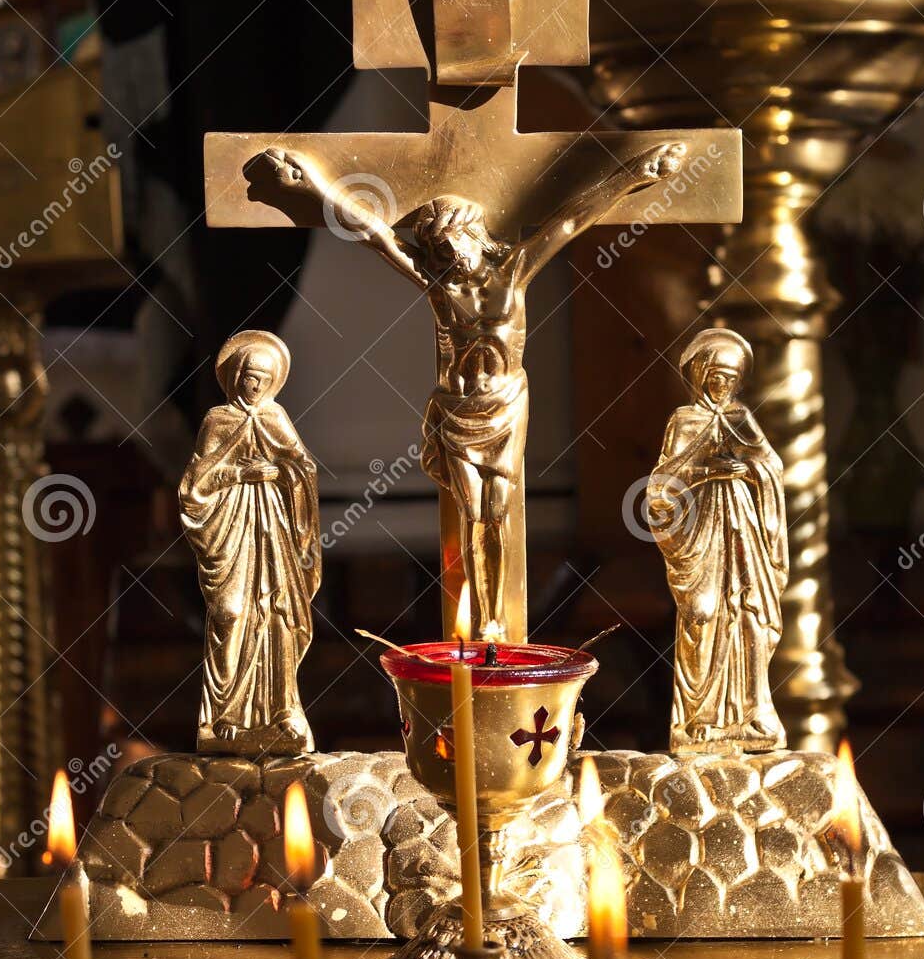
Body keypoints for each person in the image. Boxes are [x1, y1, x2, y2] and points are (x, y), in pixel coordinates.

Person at [258, 140, 688, 638]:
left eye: (450, 245)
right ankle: (483, 616)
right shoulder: (440, 288)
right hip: (457, 410)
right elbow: (374, 235)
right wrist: (309, 187)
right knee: (470, 510)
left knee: (496, 512)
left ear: (473, 235)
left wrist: (636, 171)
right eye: (437, 250)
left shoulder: (514, 273)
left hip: (503, 408)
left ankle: (491, 616)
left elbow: (571, 220)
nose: (445, 256)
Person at [179, 329, 320, 755]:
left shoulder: (276, 418)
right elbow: (195, 484)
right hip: (232, 530)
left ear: (274, 380)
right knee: (231, 612)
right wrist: (241, 474)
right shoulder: (216, 421)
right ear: (235, 374)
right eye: (248, 376)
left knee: (275, 614)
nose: (254, 385)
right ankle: (225, 715)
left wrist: (281, 474)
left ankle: (281, 710)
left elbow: (304, 468)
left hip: (273, 531)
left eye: (262, 378)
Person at [647, 328, 788, 753]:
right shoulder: (683, 421)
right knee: (703, 614)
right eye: (714, 376)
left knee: (747, 615)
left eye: (730, 378)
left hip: (742, 529)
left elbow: (773, 466)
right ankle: (699, 719)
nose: (721, 386)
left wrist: (748, 471)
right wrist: (708, 471)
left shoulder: (742, 417)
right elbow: (662, 483)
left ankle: (752, 712)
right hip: (702, 534)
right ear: (700, 374)